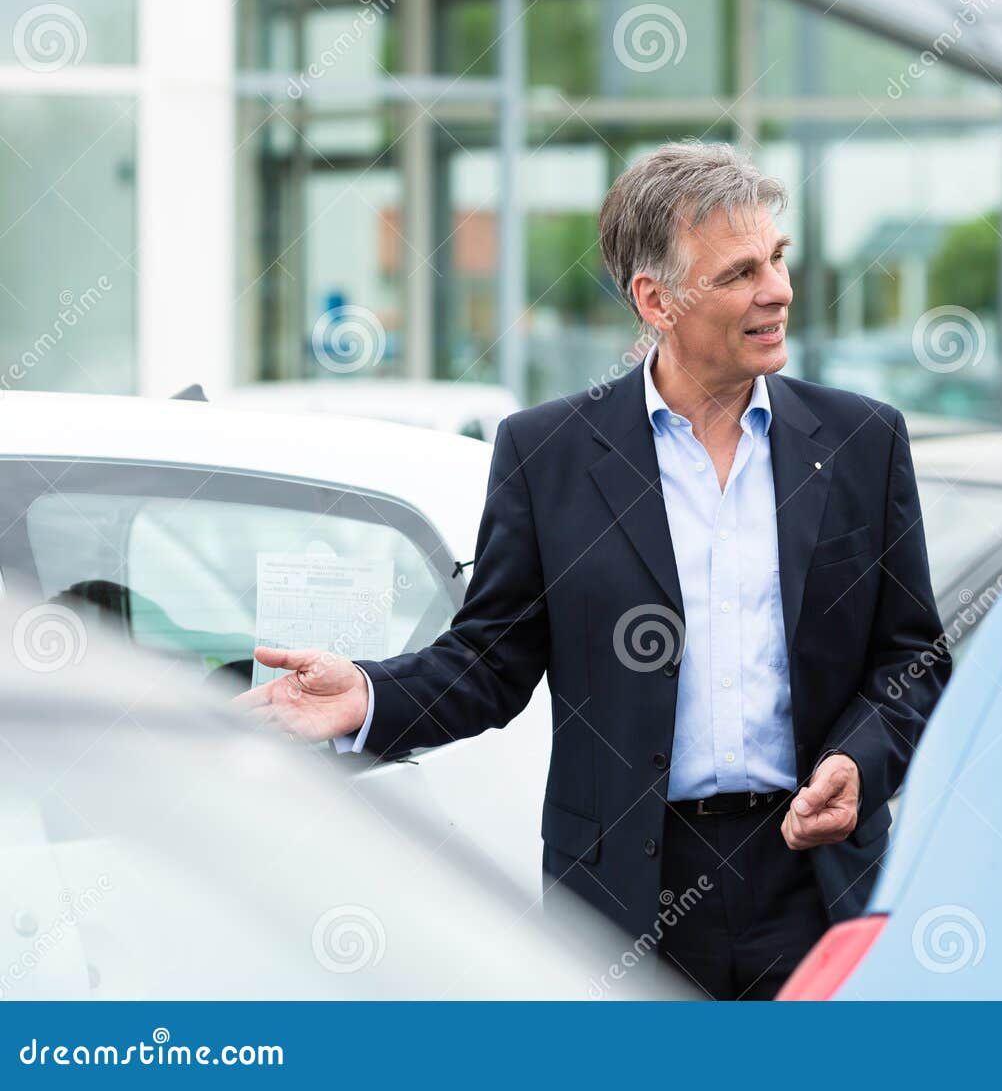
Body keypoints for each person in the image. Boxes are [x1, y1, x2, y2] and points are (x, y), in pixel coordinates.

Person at [241, 142, 949, 1000]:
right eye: (739, 273)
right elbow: (491, 658)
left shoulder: (861, 441)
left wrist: (860, 763)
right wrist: (371, 696)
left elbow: (913, 661)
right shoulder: (549, 454)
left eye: (778, 259)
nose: (778, 291)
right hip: (625, 897)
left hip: (817, 883)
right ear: (656, 299)